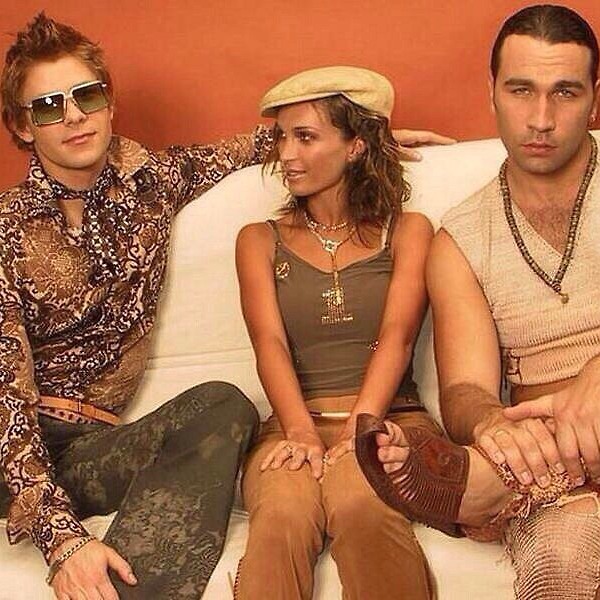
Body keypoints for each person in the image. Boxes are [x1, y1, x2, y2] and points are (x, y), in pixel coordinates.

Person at [0, 13, 453, 600]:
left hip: (97, 448)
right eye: (47, 106)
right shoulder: (6, 228)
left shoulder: (151, 183)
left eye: (86, 95)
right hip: (16, 449)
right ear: (22, 126)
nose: (73, 116)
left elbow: (258, 146)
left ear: (108, 103)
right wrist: (64, 541)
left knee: (221, 405)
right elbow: (7, 401)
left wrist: (365, 138)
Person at [356, 4, 600, 599]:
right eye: (521, 90)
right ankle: (523, 474)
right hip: (557, 476)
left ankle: (485, 488)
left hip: (546, 463)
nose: (540, 118)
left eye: (565, 92)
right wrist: (489, 422)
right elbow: (466, 389)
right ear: (491, 92)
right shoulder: (461, 240)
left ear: (595, 97)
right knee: (562, 565)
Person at [234, 65, 452, 600]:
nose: (287, 154)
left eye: (305, 137)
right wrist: (300, 432)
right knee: (282, 514)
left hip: (391, 419)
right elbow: (269, 344)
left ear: (355, 146)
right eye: (281, 138)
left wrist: (362, 427)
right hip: (292, 422)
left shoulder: (409, 230)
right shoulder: (258, 240)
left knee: (359, 504)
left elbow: (398, 336)